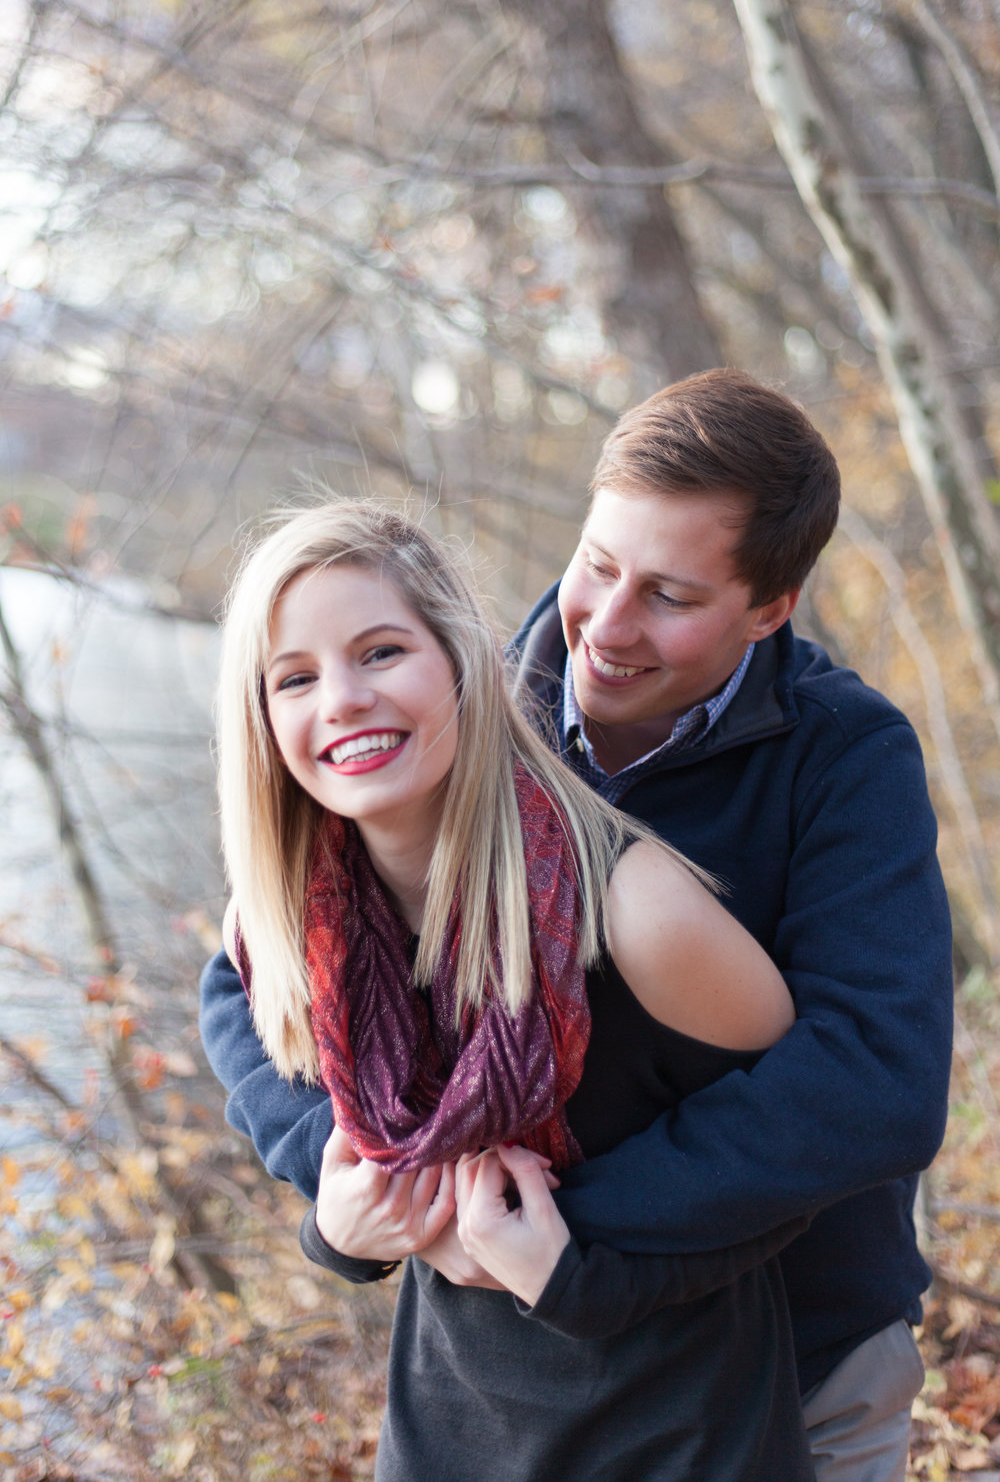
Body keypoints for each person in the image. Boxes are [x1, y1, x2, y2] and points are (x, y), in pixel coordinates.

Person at [200, 369, 954, 1481]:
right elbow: (250, 968)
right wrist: (355, 1176)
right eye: (596, 564)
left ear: (769, 608)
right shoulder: (473, 704)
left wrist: (569, 1230)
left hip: (803, 1339)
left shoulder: (841, 754)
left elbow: (874, 1079)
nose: (605, 623)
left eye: (670, 596)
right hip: (522, 1374)